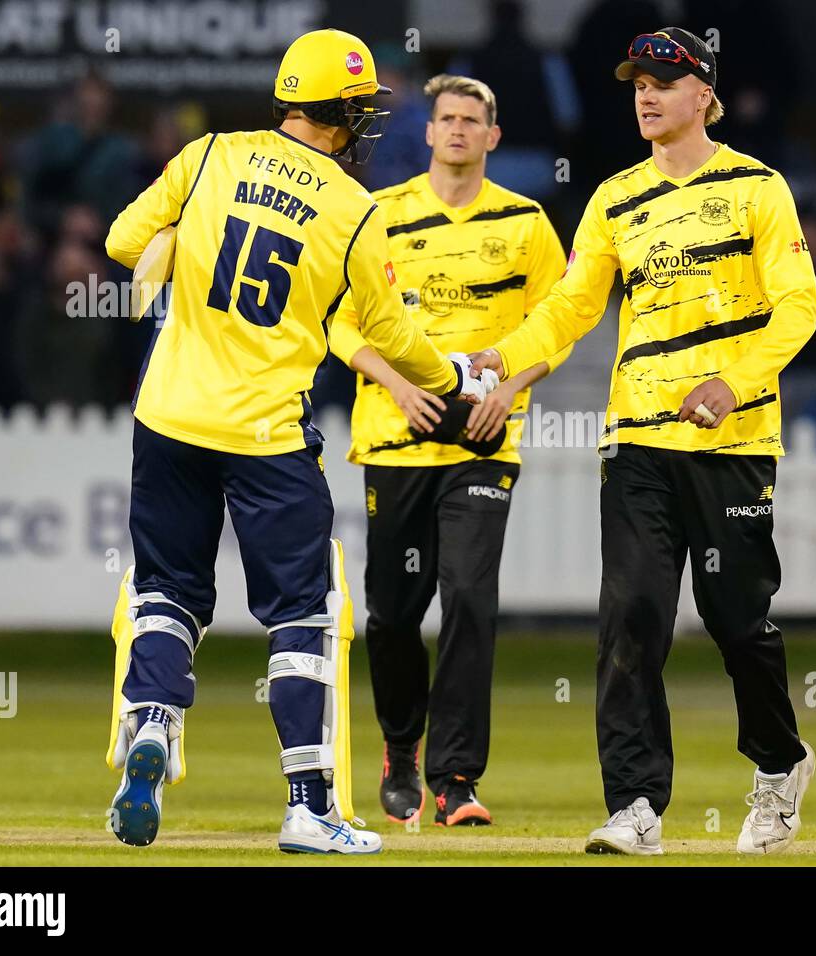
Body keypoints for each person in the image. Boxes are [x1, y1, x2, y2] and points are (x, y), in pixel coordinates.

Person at [101, 29, 492, 856]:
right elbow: (396, 336)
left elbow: (122, 241)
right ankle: (309, 806)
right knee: (303, 616)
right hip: (266, 435)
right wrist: (454, 379)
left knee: (168, 592)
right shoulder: (357, 212)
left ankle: (155, 725)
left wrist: (170, 248)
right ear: (345, 114)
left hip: (167, 417)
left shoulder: (208, 154)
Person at [471, 28, 816, 856]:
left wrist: (732, 384)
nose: (646, 93)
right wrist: (508, 356)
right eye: (637, 81)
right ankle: (635, 805)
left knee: (739, 622)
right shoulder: (613, 198)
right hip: (637, 441)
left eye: (665, 79)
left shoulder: (756, 188)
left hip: (733, 440)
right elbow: (570, 306)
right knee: (630, 618)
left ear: (706, 92)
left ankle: (779, 766)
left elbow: (797, 306)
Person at [332, 74, 569, 827]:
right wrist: (394, 385)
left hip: (481, 441)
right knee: (394, 614)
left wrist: (509, 387)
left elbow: (559, 322)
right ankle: (400, 749)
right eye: (447, 119)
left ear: (494, 137)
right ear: (428, 134)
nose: (460, 129)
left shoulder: (527, 223)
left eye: (473, 119)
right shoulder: (379, 216)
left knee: (469, 598)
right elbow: (338, 319)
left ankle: (456, 778)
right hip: (397, 435)